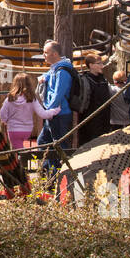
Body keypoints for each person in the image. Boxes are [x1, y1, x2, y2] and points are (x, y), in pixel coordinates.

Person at [33, 40, 80, 171]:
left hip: (59, 113)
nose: (44, 55)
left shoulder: (62, 72)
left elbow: (59, 93)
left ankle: (61, 172)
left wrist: (48, 110)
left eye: (45, 53)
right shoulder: (55, 68)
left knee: (60, 145)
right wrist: (44, 77)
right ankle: (49, 169)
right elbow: (48, 75)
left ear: (54, 54)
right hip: (53, 114)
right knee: (43, 141)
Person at [0, 73, 38, 156]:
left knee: (16, 151)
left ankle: (20, 166)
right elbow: (41, 112)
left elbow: (2, 113)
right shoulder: (31, 98)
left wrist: (5, 120)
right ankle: (23, 161)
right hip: (27, 129)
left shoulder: (10, 99)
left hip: (13, 129)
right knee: (19, 149)